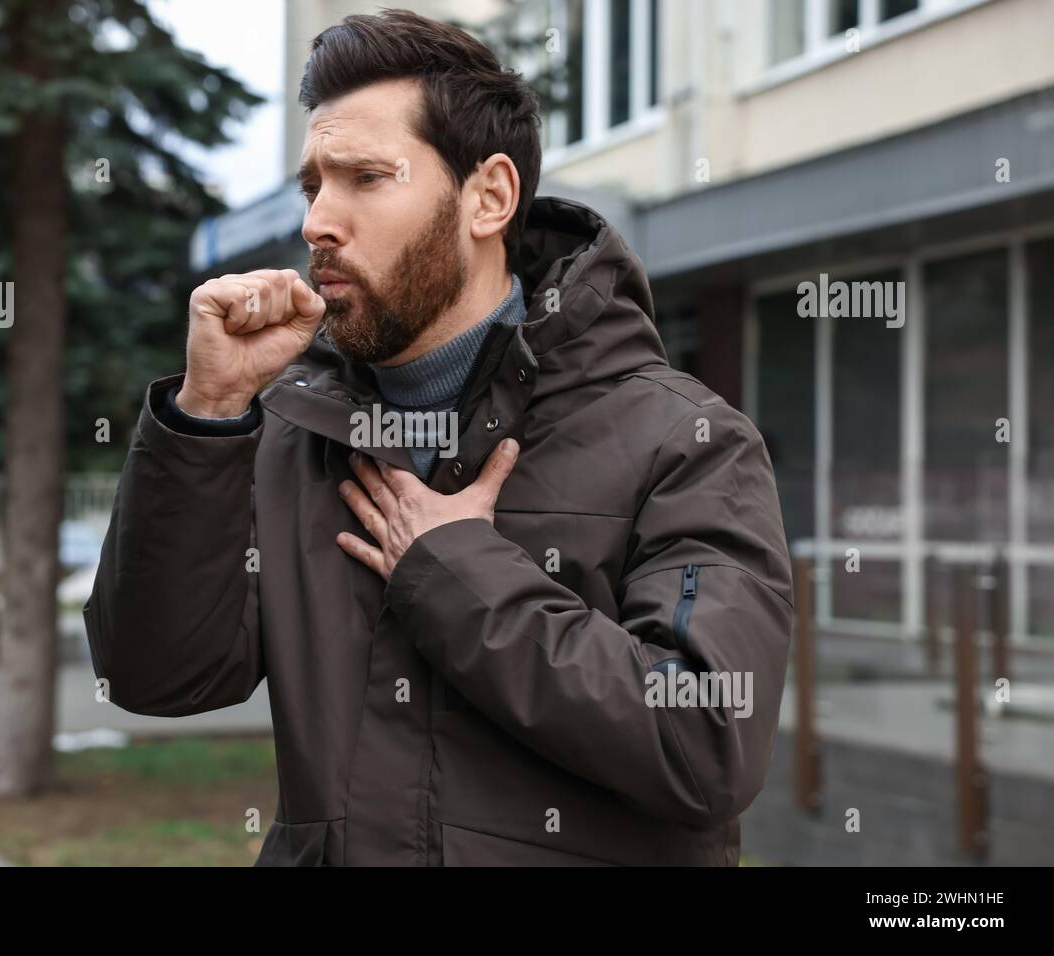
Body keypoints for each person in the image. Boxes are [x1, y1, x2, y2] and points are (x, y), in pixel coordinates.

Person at [85, 8, 794, 866]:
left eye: (365, 179)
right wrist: (206, 413)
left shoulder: (683, 439)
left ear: (488, 197)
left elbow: (706, 741)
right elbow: (156, 675)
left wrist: (457, 568)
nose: (317, 222)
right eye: (314, 186)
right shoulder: (289, 433)